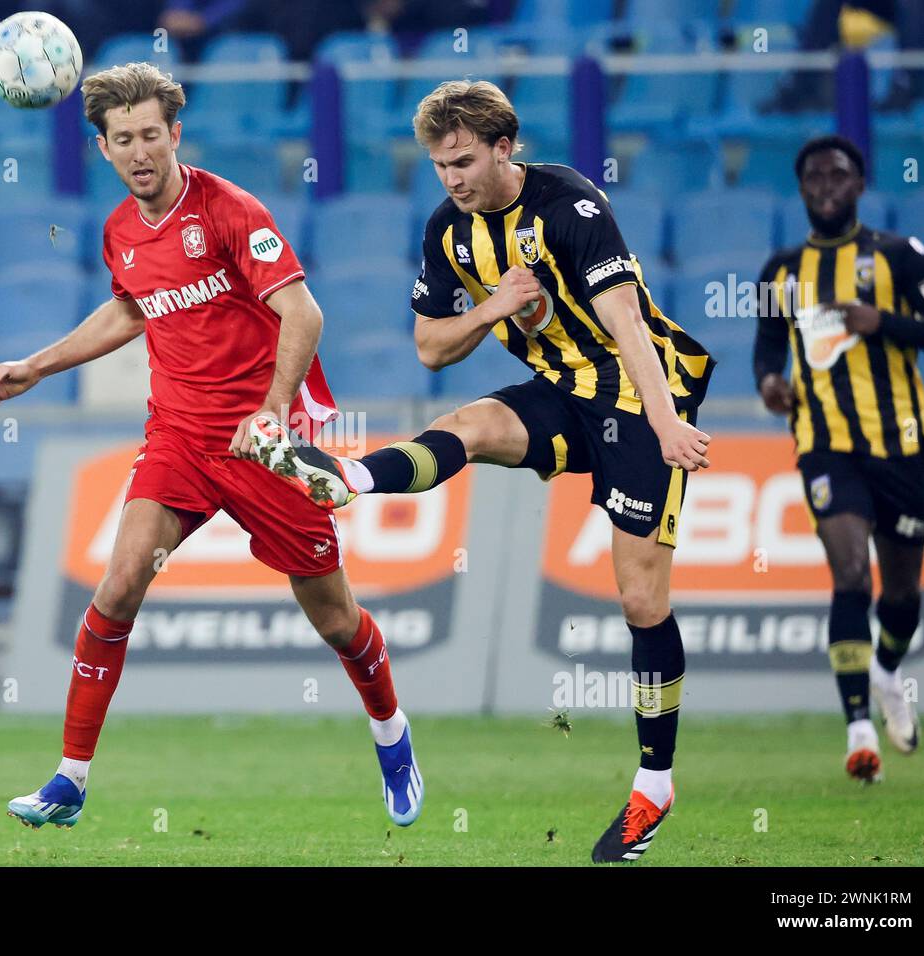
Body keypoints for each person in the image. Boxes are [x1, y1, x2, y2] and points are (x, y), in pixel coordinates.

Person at [248, 80, 715, 863]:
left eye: (464, 160)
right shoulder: (449, 231)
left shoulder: (572, 205)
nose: (453, 178)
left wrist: (668, 421)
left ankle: (655, 786)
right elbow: (431, 346)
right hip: (561, 392)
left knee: (640, 599)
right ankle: (349, 480)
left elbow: (627, 320)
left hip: (637, 398)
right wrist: (493, 307)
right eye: (439, 165)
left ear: (506, 146)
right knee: (467, 425)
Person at [0, 62, 423, 831]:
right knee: (117, 588)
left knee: (335, 617)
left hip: (260, 442)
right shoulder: (120, 230)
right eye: (124, 139)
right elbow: (131, 311)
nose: (140, 150)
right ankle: (69, 779)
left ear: (174, 134)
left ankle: (392, 733)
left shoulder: (228, 212)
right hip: (178, 437)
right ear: (104, 149)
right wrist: (35, 366)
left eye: (152, 134)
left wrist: (275, 412)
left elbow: (304, 314)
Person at [753, 134, 924, 780]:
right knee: (849, 575)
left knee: (900, 595)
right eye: (813, 177)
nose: (824, 186)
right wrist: (769, 384)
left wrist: (882, 323)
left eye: (837, 175)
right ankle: (858, 732)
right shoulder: (781, 271)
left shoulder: (901, 256)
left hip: (899, 444)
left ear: (860, 185)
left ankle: (887, 671)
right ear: (801, 188)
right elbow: (766, 347)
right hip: (823, 444)